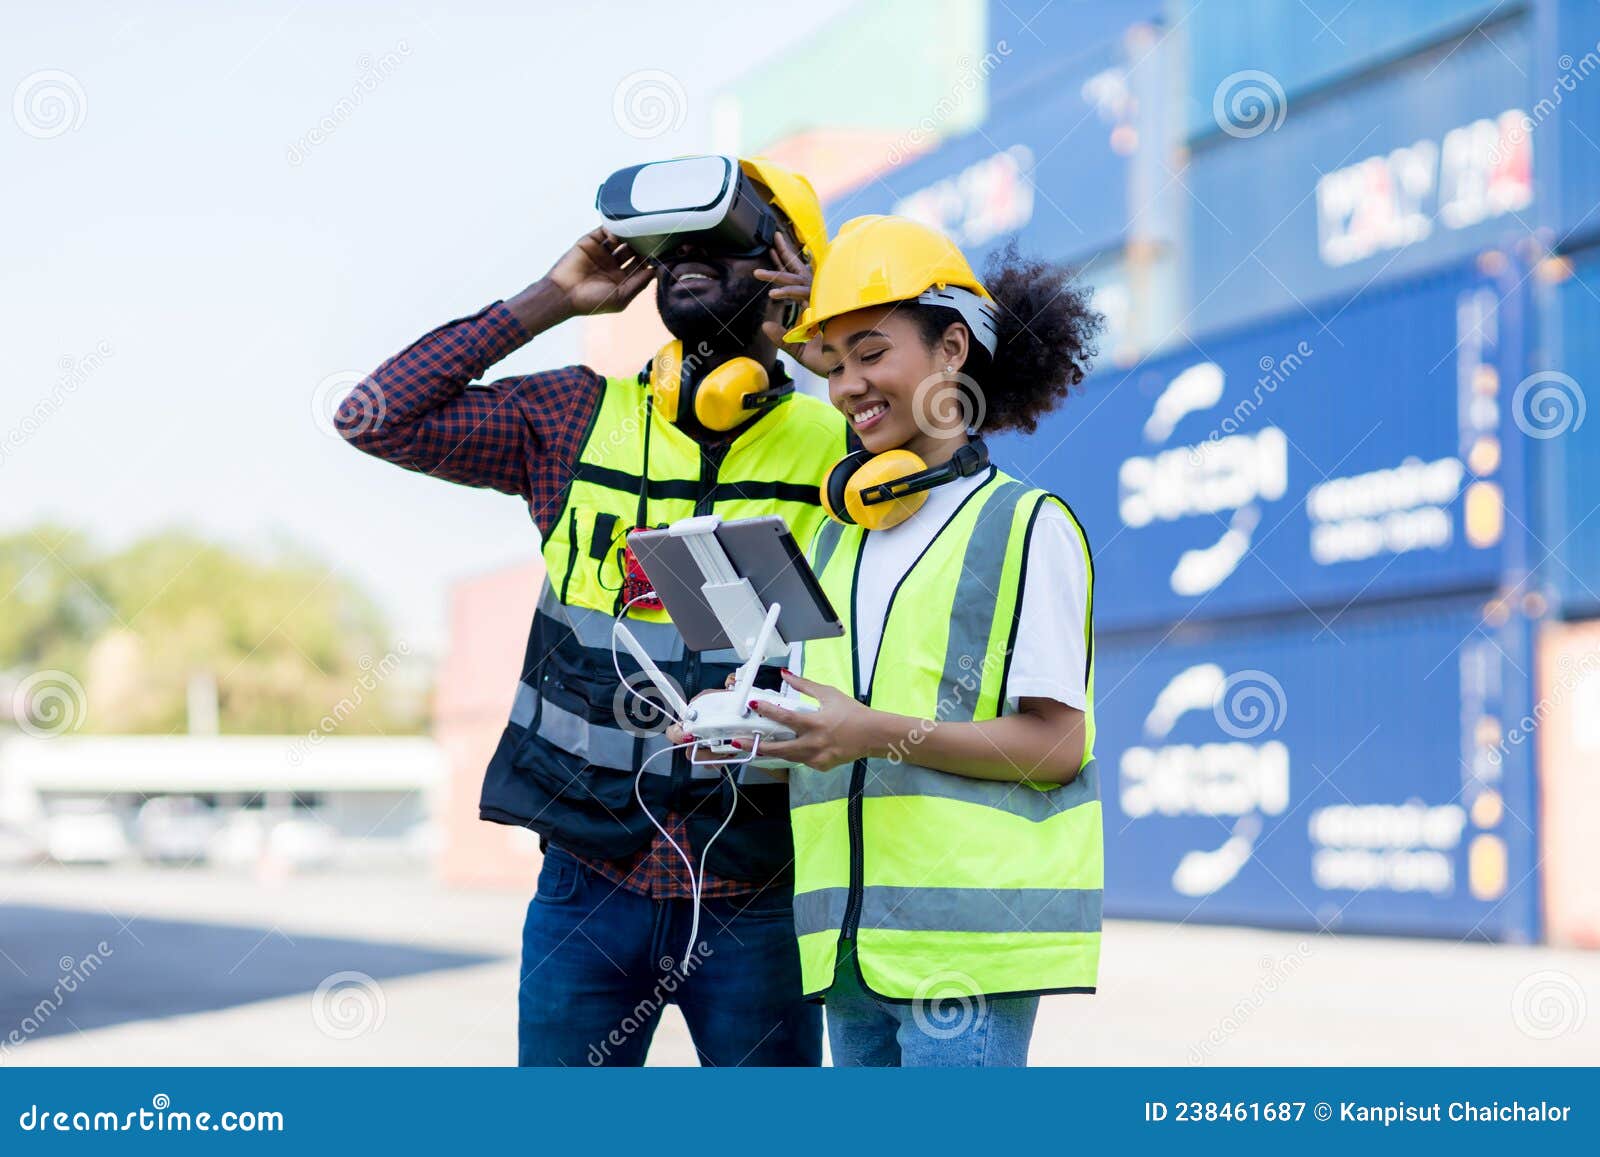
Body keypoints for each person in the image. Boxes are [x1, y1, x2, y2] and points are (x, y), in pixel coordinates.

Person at [336, 158, 846, 1067]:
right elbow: (374, 417)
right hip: (588, 885)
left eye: (719, 243)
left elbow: (967, 483)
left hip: (761, 888)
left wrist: (834, 340)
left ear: (784, 274)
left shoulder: (847, 442)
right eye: (671, 244)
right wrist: (549, 300)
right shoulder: (574, 418)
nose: (685, 257)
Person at [740, 215, 1105, 1066]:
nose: (845, 386)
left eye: (871, 355)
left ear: (950, 351)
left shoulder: (1024, 524)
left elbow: (1057, 745)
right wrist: (752, 733)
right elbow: (828, 736)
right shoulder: (835, 540)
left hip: (966, 958)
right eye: (833, 365)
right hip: (847, 954)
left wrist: (873, 730)